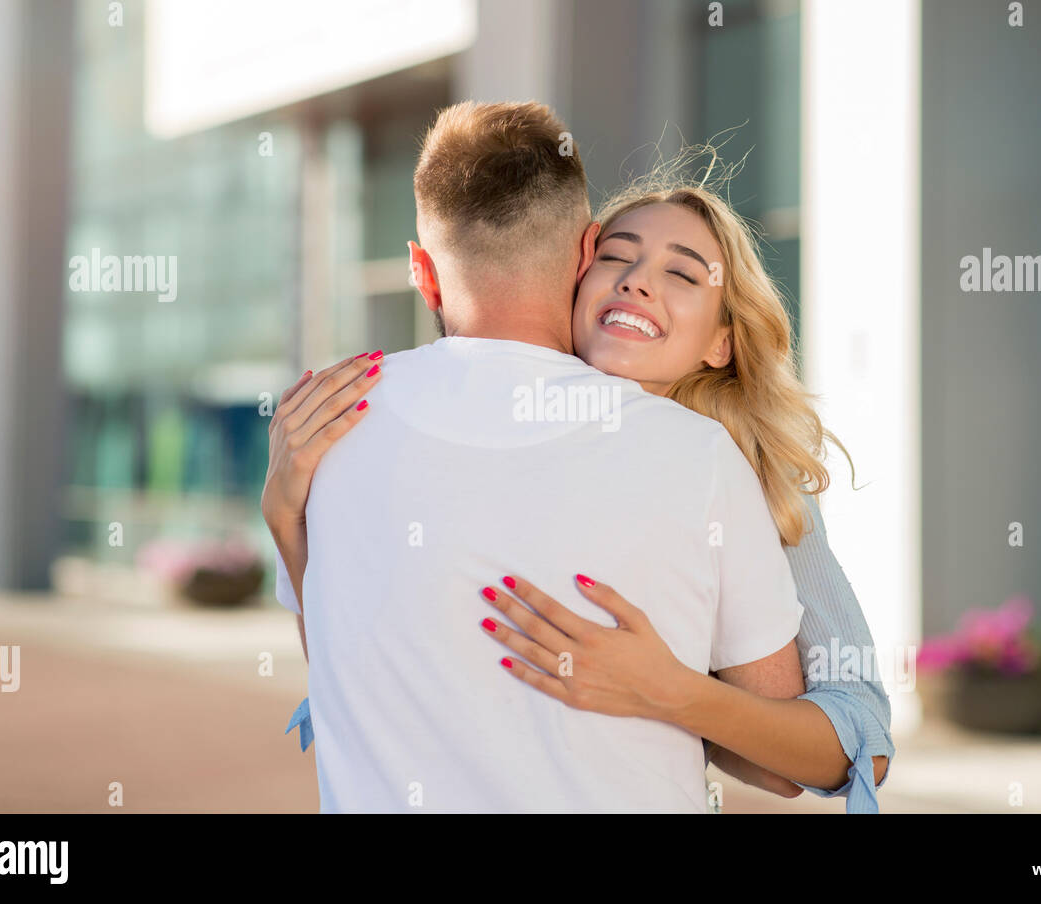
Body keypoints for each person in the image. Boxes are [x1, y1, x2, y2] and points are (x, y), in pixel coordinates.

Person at [264, 101, 893, 812]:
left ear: (724, 340)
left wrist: (672, 690)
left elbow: (850, 742)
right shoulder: (523, 436)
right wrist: (288, 527)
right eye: (619, 257)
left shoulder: (744, 467)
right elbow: (364, 673)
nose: (637, 282)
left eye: (684, 276)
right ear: (582, 261)